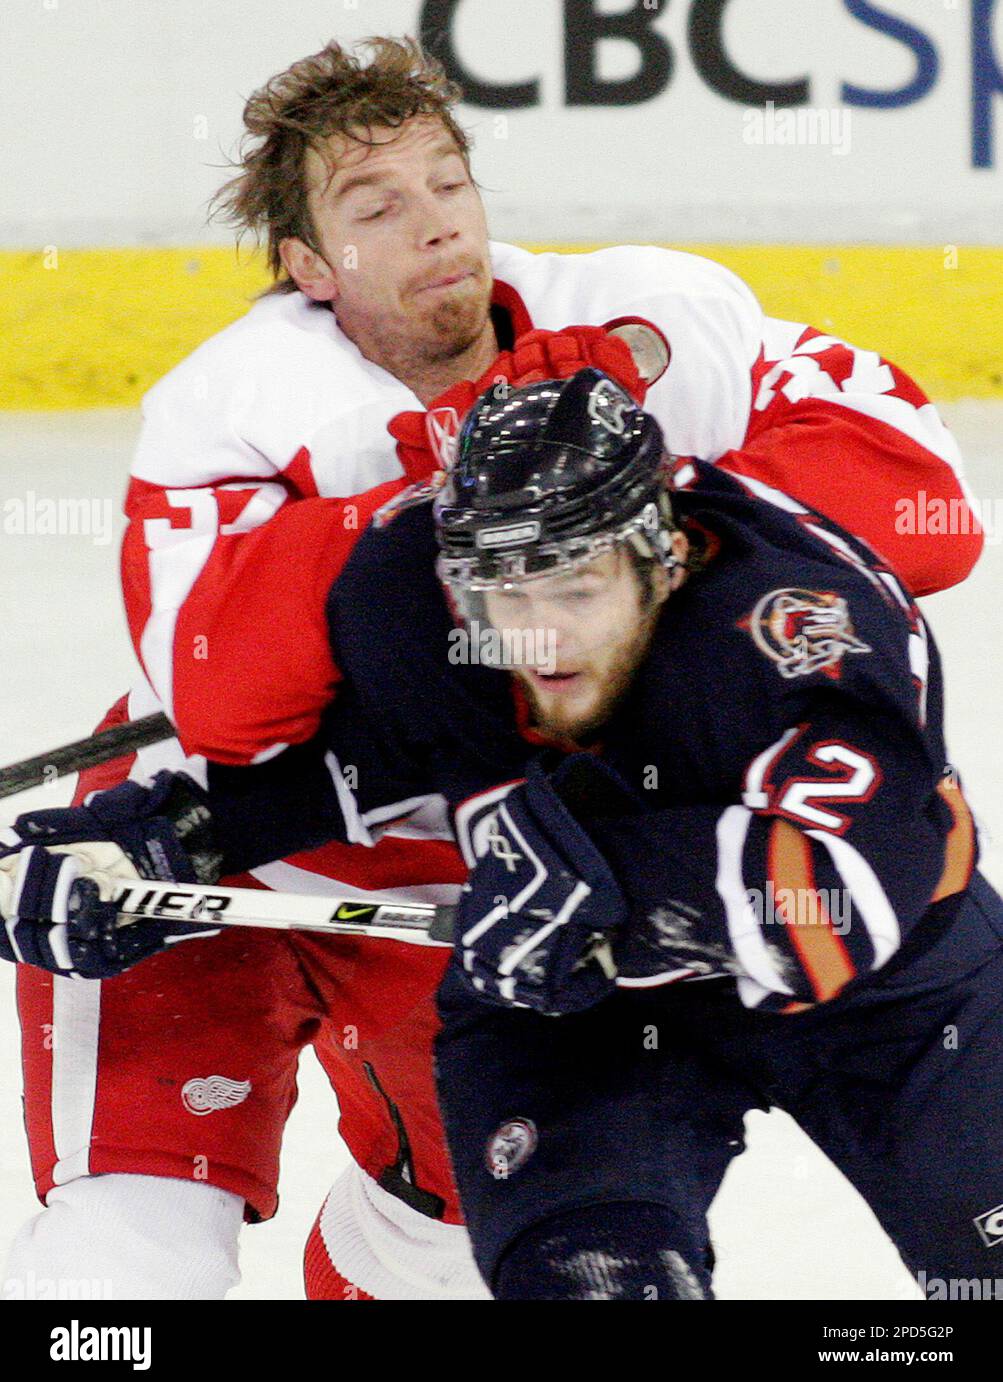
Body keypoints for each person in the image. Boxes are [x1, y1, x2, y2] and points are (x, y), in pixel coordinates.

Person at [3, 32, 983, 1301]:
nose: (434, 227)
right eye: (375, 206)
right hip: (238, 838)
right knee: (129, 1259)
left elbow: (927, 516)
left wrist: (617, 471)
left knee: (444, 1234)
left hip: (503, 863)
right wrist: (444, 481)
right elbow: (234, 706)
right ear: (308, 264)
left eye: (448, 185)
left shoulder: (646, 318)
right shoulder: (229, 407)